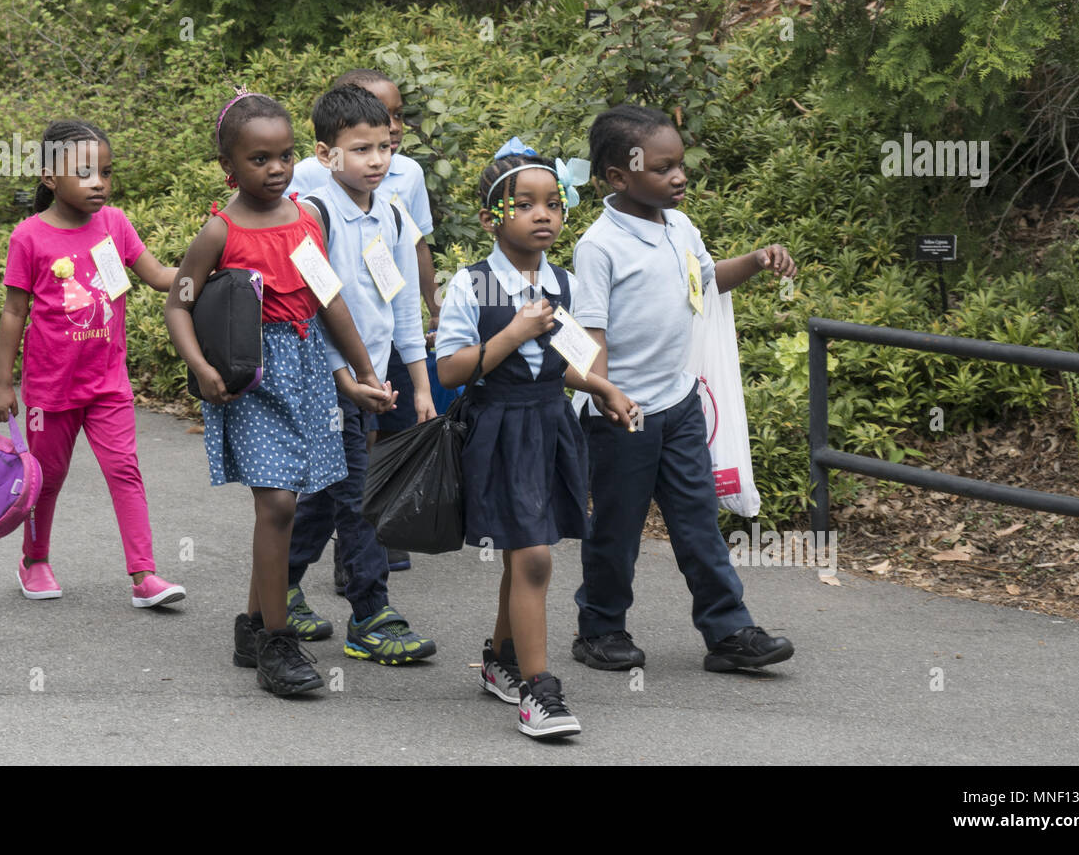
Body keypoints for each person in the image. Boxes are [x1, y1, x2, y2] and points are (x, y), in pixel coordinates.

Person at [164, 90, 394, 697]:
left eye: (285, 156)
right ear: (229, 167)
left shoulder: (306, 219)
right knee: (279, 508)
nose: (275, 169)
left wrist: (363, 375)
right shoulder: (219, 230)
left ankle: (251, 626)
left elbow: (330, 301)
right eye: (260, 158)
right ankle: (277, 642)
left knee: (288, 506)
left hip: (311, 373)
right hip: (252, 379)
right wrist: (200, 369)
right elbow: (178, 305)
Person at [570, 104, 797, 674]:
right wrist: (602, 391)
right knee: (617, 529)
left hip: (679, 403)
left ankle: (729, 630)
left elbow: (708, 278)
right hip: (624, 412)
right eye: (664, 168)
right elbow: (590, 329)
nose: (679, 177)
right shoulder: (599, 246)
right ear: (620, 178)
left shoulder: (680, 226)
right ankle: (600, 628)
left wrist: (756, 259)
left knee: (697, 520)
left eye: (681, 165)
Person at [437, 138, 638, 740]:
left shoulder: (566, 284)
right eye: (524, 204)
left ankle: (500, 660)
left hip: (551, 426)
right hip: (497, 429)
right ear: (490, 218)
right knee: (533, 555)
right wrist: (514, 330)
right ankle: (539, 691)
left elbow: (565, 361)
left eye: (552, 203)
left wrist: (601, 388)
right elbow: (449, 369)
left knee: (527, 545)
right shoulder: (470, 285)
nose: (542, 214)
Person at [0, 119, 186, 609]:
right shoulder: (29, 237)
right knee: (46, 479)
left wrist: (214, 265)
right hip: (50, 391)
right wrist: (2, 385)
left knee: (124, 470)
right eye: (85, 172)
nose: (99, 181)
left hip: (108, 385)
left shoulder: (115, 224)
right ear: (50, 178)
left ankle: (144, 576)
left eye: (106, 172)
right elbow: (15, 312)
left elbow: (160, 276)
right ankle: (34, 560)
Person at [283, 84, 439, 664]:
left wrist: (420, 385)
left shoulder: (394, 216)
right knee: (359, 494)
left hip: (371, 378)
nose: (377, 160)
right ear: (326, 156)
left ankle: (281, 587)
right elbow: (313, 304)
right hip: (325, 381)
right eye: (361, 150)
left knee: (330, 493)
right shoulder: (312, 216)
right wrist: (343, 374)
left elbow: (400, 308)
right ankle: (371, 616)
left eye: (383, 148)